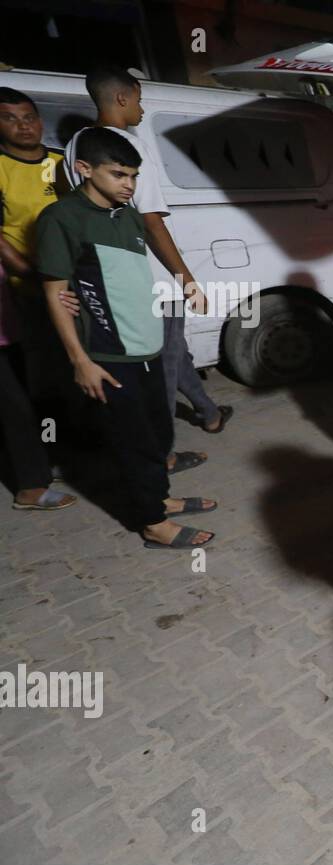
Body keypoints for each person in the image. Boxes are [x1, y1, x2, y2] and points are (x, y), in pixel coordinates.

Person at [36, 127, 216, 548]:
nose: (129, 185)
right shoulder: (62, 219)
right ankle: (151, 523)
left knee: (157, 433)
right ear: (84, 169)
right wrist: (81, 360)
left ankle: (160, 499)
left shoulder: (129, 215)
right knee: (133, 441)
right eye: (118, 175)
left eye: (133, 176)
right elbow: (53, 293)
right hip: (109, 355)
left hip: (147, 345)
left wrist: (187, 285)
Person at [63, 66, 232, 470]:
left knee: (177, 352)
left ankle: (208, 412)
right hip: (151, 279)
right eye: (139, 100)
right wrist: (187, 281)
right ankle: (162, 453)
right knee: (164, 365)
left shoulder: (74, 147)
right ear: (122, 97)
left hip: (109, 275)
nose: (141, 109)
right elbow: (152, 222)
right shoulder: (126, 148)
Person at [0, 87, 84, 452]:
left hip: (73, 282)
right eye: (10, 119)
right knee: (47, 369)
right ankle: (59, 444)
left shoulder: (61, 162)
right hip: (28, 289)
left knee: (83, 358)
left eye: (29, 117)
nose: (23, 126)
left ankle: (92, 434)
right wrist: (29, 273)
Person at [1, 257, 75, 510]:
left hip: (11, 333)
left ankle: (45, 464)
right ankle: (30, 487)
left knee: (36, 401)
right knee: (16, 411)